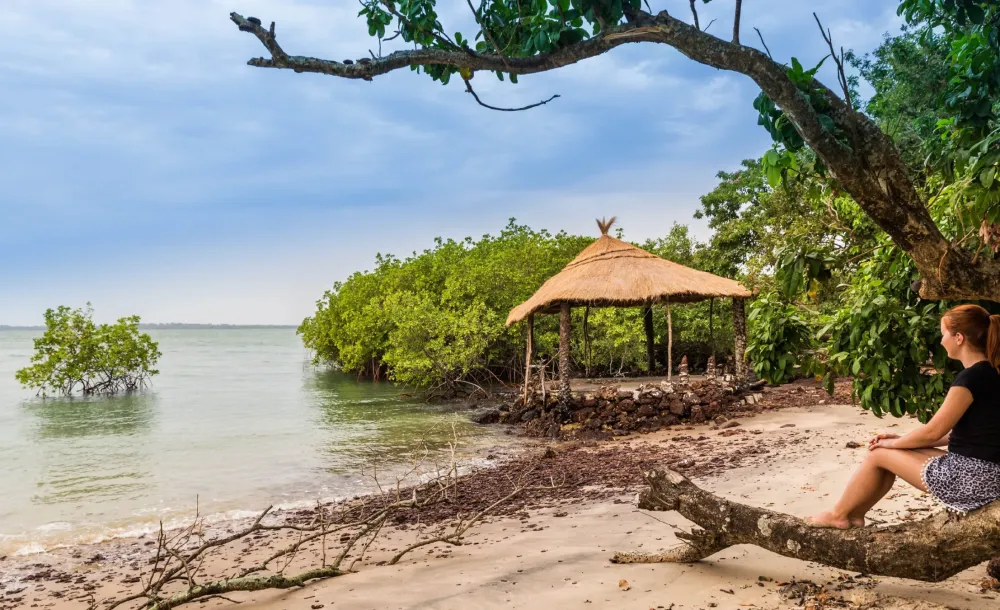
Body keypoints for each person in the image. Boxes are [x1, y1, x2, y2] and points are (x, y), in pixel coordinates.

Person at [807, 304, 1000, 529]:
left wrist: (893, 443)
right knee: (889, 450)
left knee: (878, 454)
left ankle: (839, 514)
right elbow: (956, 435)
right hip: (990, 475)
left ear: (958, 337)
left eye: (943, 334)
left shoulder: (969, 379)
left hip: (972, 480)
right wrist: (902, 441)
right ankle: (854, 515)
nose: (940, 341)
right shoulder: (992, 373)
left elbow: (932, 432)